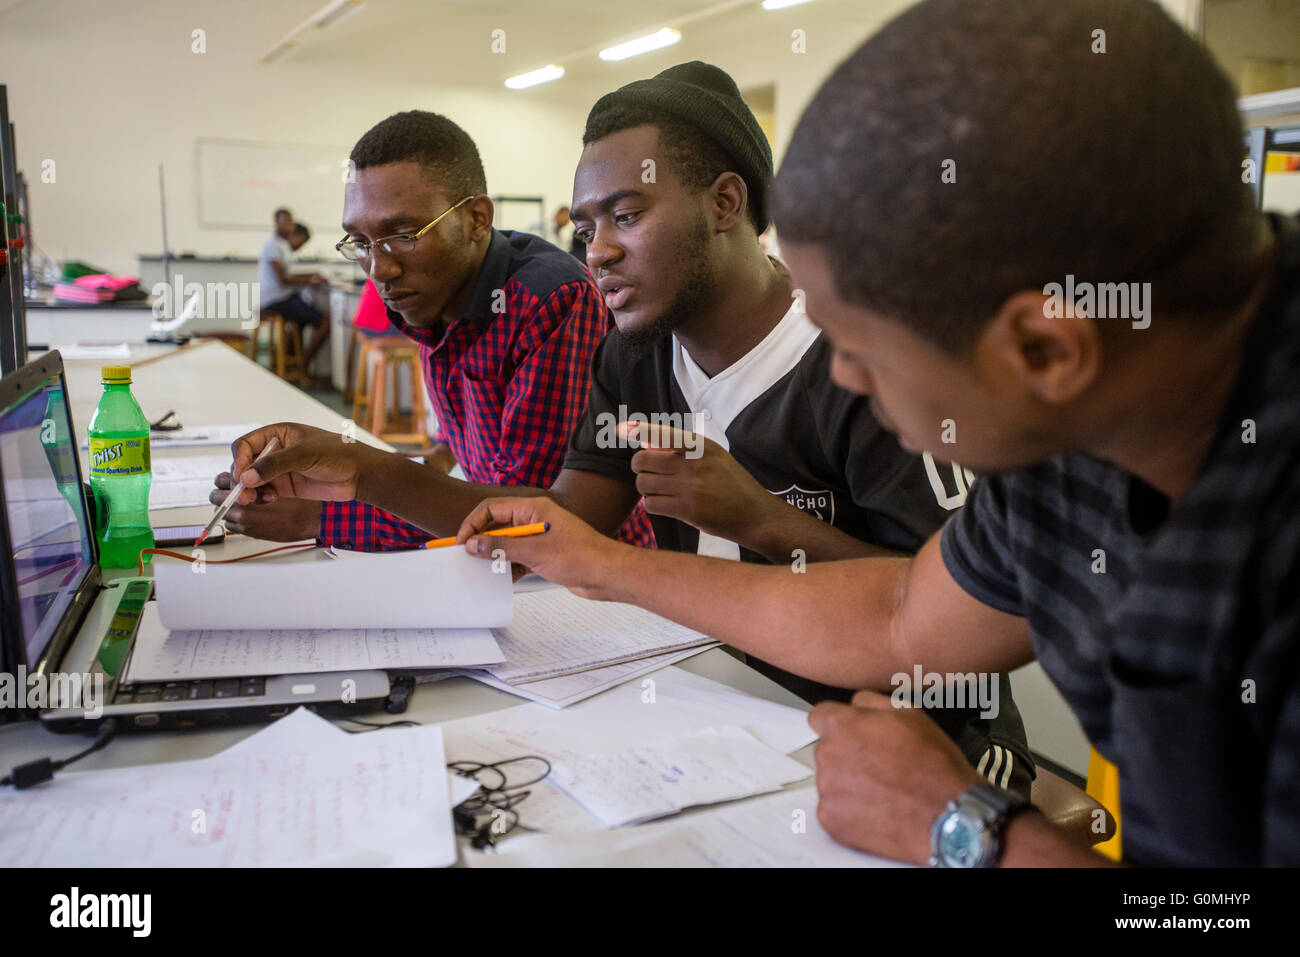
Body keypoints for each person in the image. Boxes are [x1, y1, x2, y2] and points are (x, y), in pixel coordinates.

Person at [447, 0, 1300, 867]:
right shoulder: (1075, 419)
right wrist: (609, 563)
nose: (843, 372)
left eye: (865, 348)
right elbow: (902, 615)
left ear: (1043, 348)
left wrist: (962, 829)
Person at [217, 63, 1032, 794]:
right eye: (584, 227)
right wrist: (363, 474)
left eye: (626, 216)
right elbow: (562, 519)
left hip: (903, 744)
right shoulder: (635, 358)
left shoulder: (862, 364)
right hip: (713, 706)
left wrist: (758, 519)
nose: (596, 252)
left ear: (725, 202)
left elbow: (946, 617)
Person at [217, 111, 653, 548]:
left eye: (405, 234)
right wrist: (403, 468)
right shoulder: (433, 296)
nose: (380, 269)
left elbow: (529, 521)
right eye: (362, 243)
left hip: (581, 579)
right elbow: (466, 435)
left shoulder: (549, 299)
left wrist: (325, 515)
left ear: (477, 218)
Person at [258, 208, 329, 388]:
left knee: (300, 322)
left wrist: (310, 275)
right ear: (276, 223)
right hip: (275, 300)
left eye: (290, 222)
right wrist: (310, 280)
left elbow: (289, 273)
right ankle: (302, 367)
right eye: (284, 222)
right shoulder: (273, 245)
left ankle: (290, 365)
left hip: (284, 297)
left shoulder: (283, 245)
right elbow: (282, 279)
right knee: (324, 322)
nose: (288, 226)